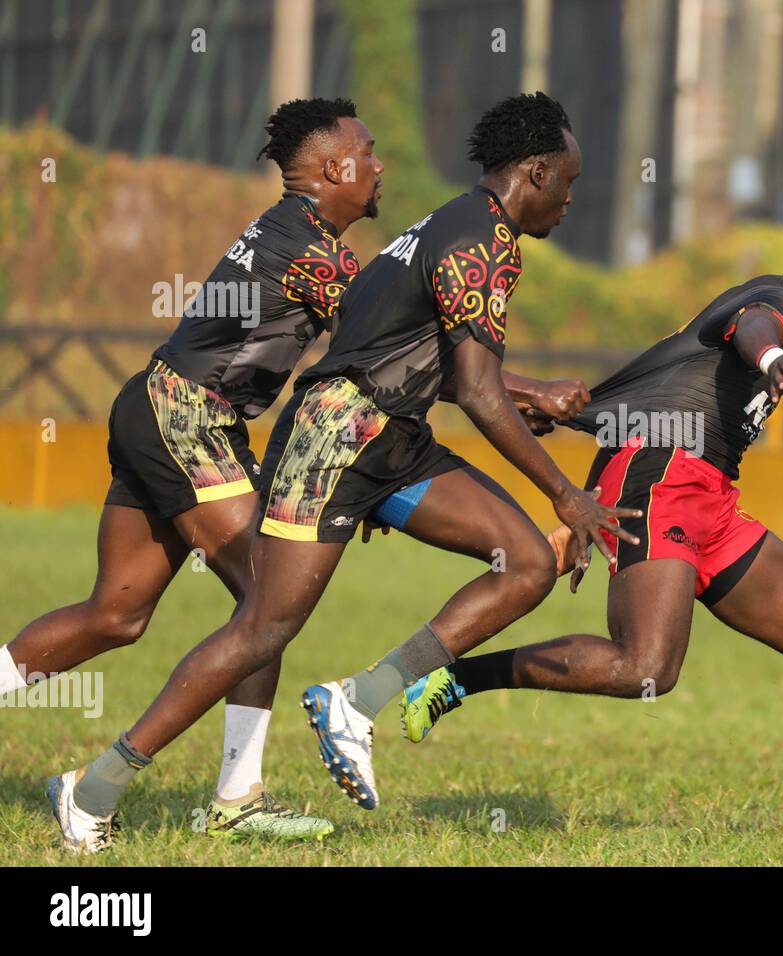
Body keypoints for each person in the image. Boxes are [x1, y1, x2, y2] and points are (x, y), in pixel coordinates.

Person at [47, 91, 637, 854]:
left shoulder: (460, 227)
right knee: (263, 622)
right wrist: (568, 493)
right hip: (337, 437)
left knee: (526, 562)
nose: (570, 196)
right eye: (569, 179)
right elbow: (476, 389)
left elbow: (440, 368)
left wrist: (530, 396)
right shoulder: (479, 240)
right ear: (535, 170)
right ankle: (97, 787)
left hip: (389, 432)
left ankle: (355, 703)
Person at [402, 224, 783, 846]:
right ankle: (453, 680)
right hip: (660, 473)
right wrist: (772, 356)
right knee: (645, 666)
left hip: (706, 490)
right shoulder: (780, 299)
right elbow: (757, 327)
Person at [6, 97, 377, 843]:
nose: (378, 168)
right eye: (368, 154)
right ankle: (211, 799)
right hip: (184, 416)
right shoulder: (317, 252)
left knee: (116, 614)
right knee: (268, 597)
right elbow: (381, 349)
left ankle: (234, 796)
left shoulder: (292, 232)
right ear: (335, 169)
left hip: (159, 406)